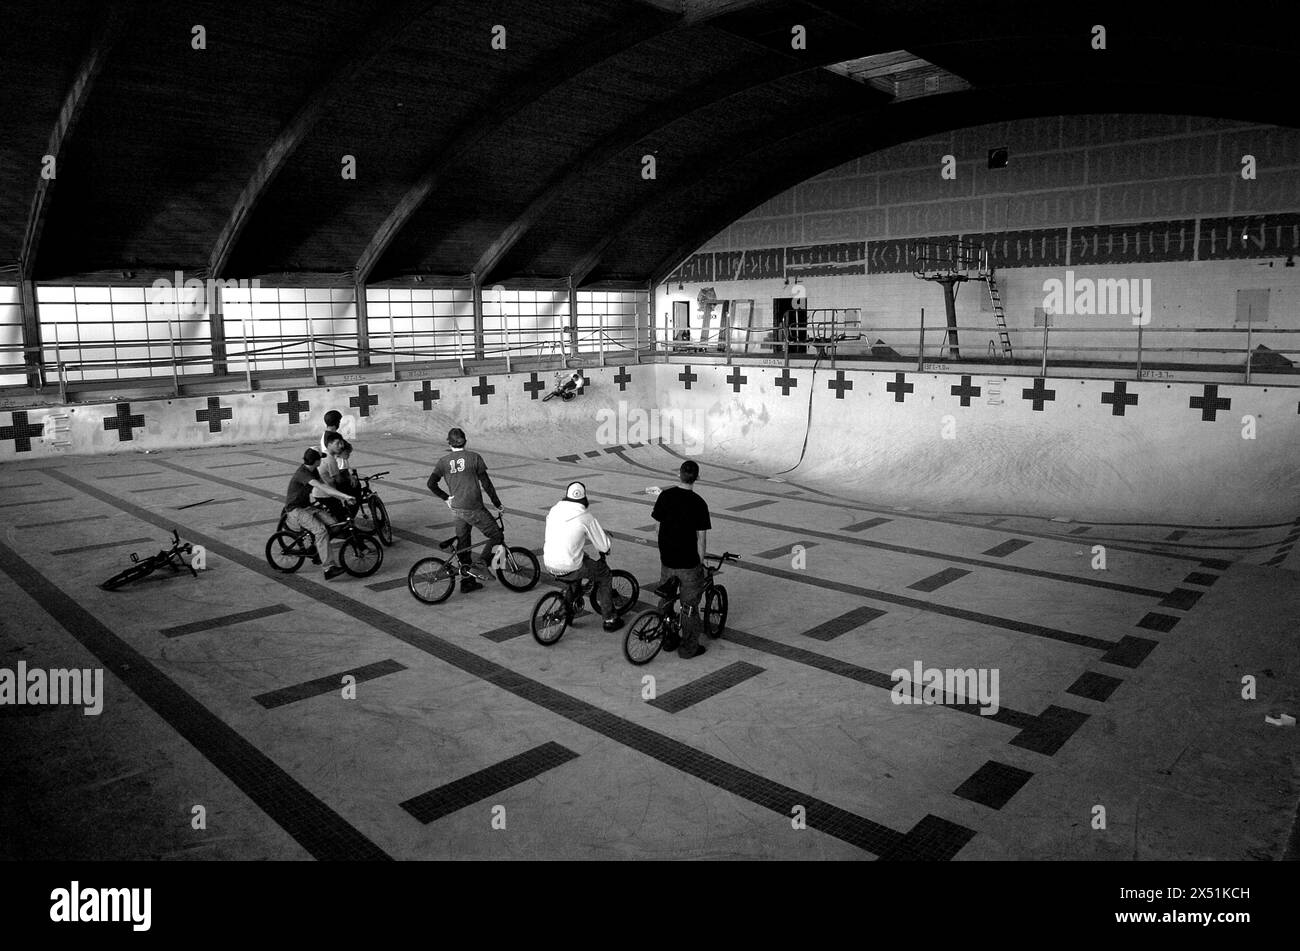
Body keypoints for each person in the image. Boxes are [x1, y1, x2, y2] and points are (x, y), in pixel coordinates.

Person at [426, 427, 504, 594]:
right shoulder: (474, 458)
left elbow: (431, 484)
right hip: (473, 507)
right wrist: (497, 503)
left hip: (457, 508)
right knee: (496, 535)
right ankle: (481, 564)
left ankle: (467, 582)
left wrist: (446, 498)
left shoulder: (443, 461)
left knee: (464, 543)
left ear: (449, 443)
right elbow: (486, 484)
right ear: (465, 441)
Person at [651, 459, 712, 658]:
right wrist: (700, 563)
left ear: (679, 474)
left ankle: (667, 639)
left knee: (666, 598)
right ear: (697, 478)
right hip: (688, 563)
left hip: (667, 559)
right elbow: (701, 539)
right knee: (689, 607)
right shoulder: (699, 503)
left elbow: (657, 527)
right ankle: (688, 648)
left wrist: (666, 548)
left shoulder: (665, 496)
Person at [542, 481, 622, 632]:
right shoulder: (585, 516)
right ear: (584, 499)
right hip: (570, 564)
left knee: (579, 564)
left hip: (549, 561)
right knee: (604, 575)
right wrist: (606, 545)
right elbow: (603, 545)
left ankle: (569, 610)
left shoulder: (554, 510)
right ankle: (610, 619)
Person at [284, 448, 355, 581]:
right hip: (295, 510)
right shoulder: (303, 473)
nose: (321, 460)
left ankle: (318, 549)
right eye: (320, 459)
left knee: (335, 525)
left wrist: (341, 497)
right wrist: (344, 496)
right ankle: (329, 568)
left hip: (306, 507)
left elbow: (325, 486)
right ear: (315, 461)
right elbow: (321, 487)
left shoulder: (313, 470)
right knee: (321, 531)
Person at [312, 432, 351, 519]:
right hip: (325, 493)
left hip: (319, 489)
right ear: (329, 444)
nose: (341, 446)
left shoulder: (325, 454)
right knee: (342, 517)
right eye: (337, 443)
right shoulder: (330, 460)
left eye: (341, 443)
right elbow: (338, 480)